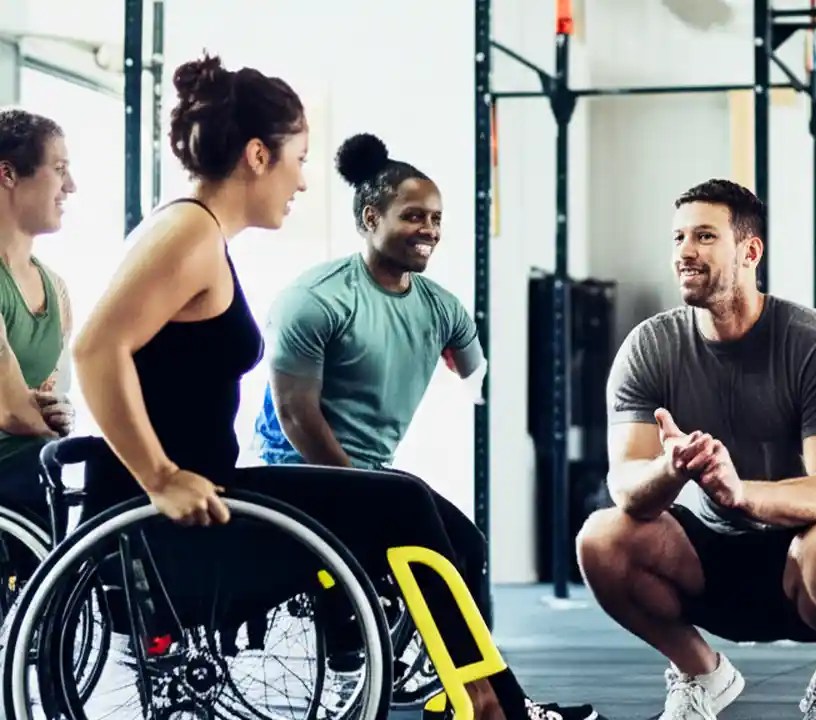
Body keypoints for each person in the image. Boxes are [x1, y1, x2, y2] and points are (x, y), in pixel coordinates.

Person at [70, 53, 599, 720]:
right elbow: (94, 348)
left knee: (448, 530)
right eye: (300, 157)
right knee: (401, 503)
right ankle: (489, 705)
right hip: (182, 521)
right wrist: (159, 476)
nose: (302, 178)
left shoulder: (198, 234)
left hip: (216, 493)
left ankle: (485, 697)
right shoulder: (187, 232)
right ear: (260, 155)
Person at [250, 132, 593, 718]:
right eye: (413, 216)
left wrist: (471, 371)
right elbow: (294, 414)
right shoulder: (315, 300)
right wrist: (361, 487)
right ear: (369, 217)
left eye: (436, 218)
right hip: (292, 474)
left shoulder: (440, 307)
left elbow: (473, 371)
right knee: (415, 528)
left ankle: (456, 684)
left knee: (466, 545)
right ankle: (486, 699)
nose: (429, 228)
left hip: (372, 475)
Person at [576, 179, 816, 720]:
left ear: (749, 251)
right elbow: (625, 485)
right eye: (677, 239)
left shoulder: (815, 343)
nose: (685, 253)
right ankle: (703, 673)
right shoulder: (649, 347)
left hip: (802, 556)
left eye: (703, 236)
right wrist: (669, 470)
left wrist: (742, 493)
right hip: (702, 558)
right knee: (600, 538)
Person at [0, 108, 77, 531]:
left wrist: (62, 414)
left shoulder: (57, 290)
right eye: (59, 169)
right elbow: (12, 413)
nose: (71, 186)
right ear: (8, 175)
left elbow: (50, 403)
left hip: (28, 473)